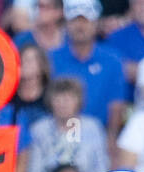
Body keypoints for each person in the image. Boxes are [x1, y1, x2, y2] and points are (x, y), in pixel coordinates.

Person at [48, 0, 127, 141]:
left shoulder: (112, 59)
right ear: (66, 24)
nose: (80, 26)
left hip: (98, 137)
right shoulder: (51, 58)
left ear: (96, 24)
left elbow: (116, 105)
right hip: (57, 134)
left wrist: (111, 139)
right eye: (74, 21)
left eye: (86, 21)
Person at [23, 77, 109, 172]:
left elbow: (101, 167)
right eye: (58, 99)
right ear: (50, 102)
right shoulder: (39, 129)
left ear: (78, 101)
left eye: (68, 99)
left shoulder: (93, 127)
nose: (63, 104)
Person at [104, 0, 144, 88]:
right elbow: (108, 69)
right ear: (131, 7)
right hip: (125, 99)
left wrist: (141, 72)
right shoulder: (116, 37)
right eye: (139, 3)